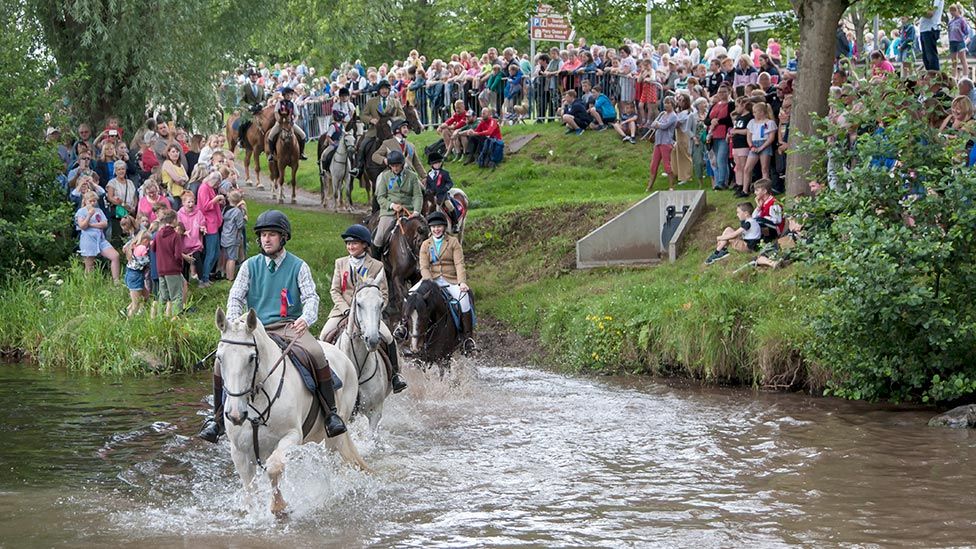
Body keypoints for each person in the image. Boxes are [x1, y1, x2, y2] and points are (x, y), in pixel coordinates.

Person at [199, 210, 347, 443]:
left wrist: (306, 318)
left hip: (289, 326)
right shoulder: (249, 266)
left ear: (283, 237)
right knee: (220, 362)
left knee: (316, 352)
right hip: (255, 329)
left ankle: (331, 414)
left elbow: (311, 297)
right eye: (263, 235)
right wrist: (234, 324)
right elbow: (236, 296)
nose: (266, 239)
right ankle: (217, 419)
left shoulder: (298, 266)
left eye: (272, 235)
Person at [319, 224, 407, 393]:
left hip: (368, 313)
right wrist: (346, 309)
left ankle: (396, 375)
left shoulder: (376, 266)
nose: (350, 246)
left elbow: (384, 294)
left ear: (365, 245)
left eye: (354, 243)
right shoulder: (340, 263)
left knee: (389, 338)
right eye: (348, 243)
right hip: (343, 312)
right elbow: (335, 290)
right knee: (323, 336)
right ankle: (325, 377)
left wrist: (373, 310)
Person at [415, 212, 475, 354]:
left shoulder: (453, 242)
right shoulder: (425, 244)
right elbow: (424, 267)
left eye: (439, 226)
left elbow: (459, 263)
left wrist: (462, 282)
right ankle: (404, 329)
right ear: (430, 228)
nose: (436, 229)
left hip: (450, 279)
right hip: (431, 279)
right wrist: (429, 283)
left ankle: (467, 338)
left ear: (444, 227)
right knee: (410, 296)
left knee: (464, 299)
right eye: (433, 227)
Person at [373, 150, 424, 257]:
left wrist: (416, 212)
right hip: (389, 212)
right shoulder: (385, 176)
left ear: (402, 164)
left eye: (397, 165)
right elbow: (380, 197)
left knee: (425, 229)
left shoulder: (412, 176)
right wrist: (392, 205)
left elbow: (417, 196)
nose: (395, 168)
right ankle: (376, 261)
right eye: (392, 166)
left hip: (408, 210)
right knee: (379, 238)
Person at [354, 80, 405, 175]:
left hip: (390, 132)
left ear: (389, 90)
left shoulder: (395, 102)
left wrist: (392, 120)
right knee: (363, 145)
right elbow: (362, 115)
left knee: (403, 145)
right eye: (382, 89)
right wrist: (371, 120)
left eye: (386, 89)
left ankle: (406, 166)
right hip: (374, 131)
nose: (384, 91)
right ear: (379, 90)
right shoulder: (371, 102)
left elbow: (402, 116)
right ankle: (358, 168)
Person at [75, 190, 121, 283]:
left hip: (100, 239)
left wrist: (91, 225)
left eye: (94, 201)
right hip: (88, 240)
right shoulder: (81, 211)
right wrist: (89, 215)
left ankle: (116, 282)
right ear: (85, 201)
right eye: (90, 201)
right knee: (89, 265)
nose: (93, 203)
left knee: (115, 256)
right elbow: (82, 226)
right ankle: (89, 285)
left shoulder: (99, 211)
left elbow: (104, 224)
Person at [149, 208, 184, 318]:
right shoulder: (175, 235)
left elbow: (153, 248)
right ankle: (176, 318)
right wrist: (180, 266)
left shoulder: (159, 234)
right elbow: (178, 255)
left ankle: (160, 317)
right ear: (174, 220)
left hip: (161, 269)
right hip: (172, 269)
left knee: (163, 296)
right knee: (176, 296)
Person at [744, 102, 777, 194]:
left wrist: (762, 147)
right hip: (754, 144)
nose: (754, 114)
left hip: (764, 143)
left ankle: (766, 190)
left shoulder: (770, 122)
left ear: (762, 112)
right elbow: (749, 136)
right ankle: (745, 190)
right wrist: (751, 146)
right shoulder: (752, 122)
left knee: (764, 168)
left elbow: (771, 138)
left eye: (755, 112)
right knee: (747, 168)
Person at [266, 91, 308, 162]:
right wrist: (279, 120)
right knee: (270, 136)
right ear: (284, 95)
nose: (289, 96)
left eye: (290, 95)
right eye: (287, 95)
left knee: (303, 135)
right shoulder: (279, 103)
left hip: (290, 123)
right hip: (280, 123)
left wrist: (293, 122)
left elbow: (296, 115)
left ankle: (301, 153)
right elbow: (276, 113)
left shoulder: (293, 104)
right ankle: (271, 154)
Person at [648, 97, 678, 191]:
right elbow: (653, 124)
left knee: (666, 165)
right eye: (665, 103)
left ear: (672, 104)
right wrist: (658, 125)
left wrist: (658, 125)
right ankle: (649, 186)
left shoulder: (673, 116)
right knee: (654, 164)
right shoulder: (662, 114)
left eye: (668, 103)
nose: (666, 105)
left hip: (666, 142)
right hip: (658, 141)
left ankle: (671, 186)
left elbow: (665, 126)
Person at [425, 152, 460, 229]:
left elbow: (450, 183)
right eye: (435, 163)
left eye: (439, 163)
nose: (437, 165)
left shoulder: (444, 173)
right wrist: (428, 190)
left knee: (450, 206)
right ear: (431, 164)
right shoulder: (429, 174)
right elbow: (428, 185)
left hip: (442, 195)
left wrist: (446, 187)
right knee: (427, 208)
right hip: (432, 196)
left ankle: (455, 223)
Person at [123, 230, 151, 317]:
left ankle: (126, 311)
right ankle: (129, 320)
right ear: (145, 240)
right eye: (149, 242)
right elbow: (145, 260)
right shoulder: (142, 247)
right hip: (136, 276)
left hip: (130, 274)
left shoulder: (133, 247)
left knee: (146, 296)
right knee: (136, 304)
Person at [220, 190, 247, 281]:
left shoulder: (225, 209)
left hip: (224, 236)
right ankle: (230, 277)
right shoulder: (237, 212)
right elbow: (240, 225)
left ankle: (227, 275)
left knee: (227, 257)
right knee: (232, 258)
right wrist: (244, 219)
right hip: (233, 237)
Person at [919, 0, 945, 71]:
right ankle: (929, 74)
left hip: (930, 29)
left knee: (931, 56)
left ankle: (934, 75)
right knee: (926, 57)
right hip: (924, 29)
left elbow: (930, 14)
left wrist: (917, 10)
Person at [948, 3, 970, 78]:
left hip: (960, 41)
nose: (952, 12)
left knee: (962, 59)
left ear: (958, 10)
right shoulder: (950, 22)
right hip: (952, 42)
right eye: (951, 11)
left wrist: (965, 39)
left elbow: (966, 32)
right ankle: (954, 77)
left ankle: (965, 76)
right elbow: (949, 32)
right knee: (954, 61)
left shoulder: (962, 20)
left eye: (954, 10)